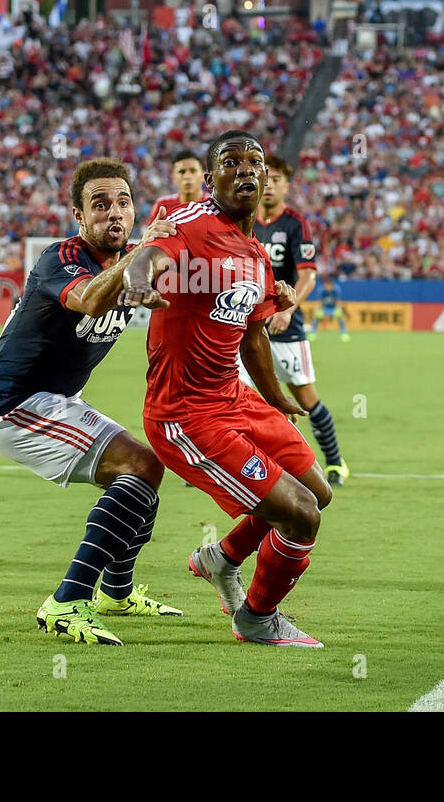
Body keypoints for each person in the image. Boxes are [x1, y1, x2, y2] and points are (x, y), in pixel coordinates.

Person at [121, 129, 332, 648]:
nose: (245, 170)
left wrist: (276, 396)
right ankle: (257, 619)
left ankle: (223, 558)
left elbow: (254, 334)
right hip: (185, 415)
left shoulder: (256, 253)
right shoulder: (189, 224)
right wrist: (139, 280)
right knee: (299, 514)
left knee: (318, 493)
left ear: (267, 178)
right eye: (230, 162)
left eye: (254, 162)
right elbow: (152, 253)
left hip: (237, 399)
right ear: (211, 178)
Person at [0, 159, 181, 646]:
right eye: (100, 204)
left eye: (123, 203)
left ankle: (116, 593)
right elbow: (89, 299)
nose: (114, 212)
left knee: (147, 467)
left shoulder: (132, 258)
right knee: (138, 465)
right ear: (78, 215)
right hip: (12, 404)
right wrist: (144, 251)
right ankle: (66, 601)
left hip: (56, 398)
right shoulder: (59, 258)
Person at [239, 154, 349, 487]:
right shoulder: (242, 220)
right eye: (265, 178)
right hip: (244, 326)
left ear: (287, 185)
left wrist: (287, 310)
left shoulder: (295, 223)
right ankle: (243, 465)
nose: (269, 185)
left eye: (276, 180)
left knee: (304, 398)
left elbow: (308, 276)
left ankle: (334, 462)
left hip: (285, 327)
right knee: (241, 397)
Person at [148, 147, 204, 223]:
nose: (187, 176)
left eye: (193, 171)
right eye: (182, 172)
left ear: (203, 176)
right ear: (173, 177)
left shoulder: (215, 206)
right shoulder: (163, 205)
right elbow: (150, 233)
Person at [308, 277, 349, 342]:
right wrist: (319, 310)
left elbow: (338, 301)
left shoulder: (336, 290)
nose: (328, 287)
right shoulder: (321, 290)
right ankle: (313, 333)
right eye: (326, 285)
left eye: (329, 286)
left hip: (333, 308)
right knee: (316, 318)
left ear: (332, 285)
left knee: (341, 317)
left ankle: (344, 334)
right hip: (324, 308)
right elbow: (320, 302)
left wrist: (338, 309)